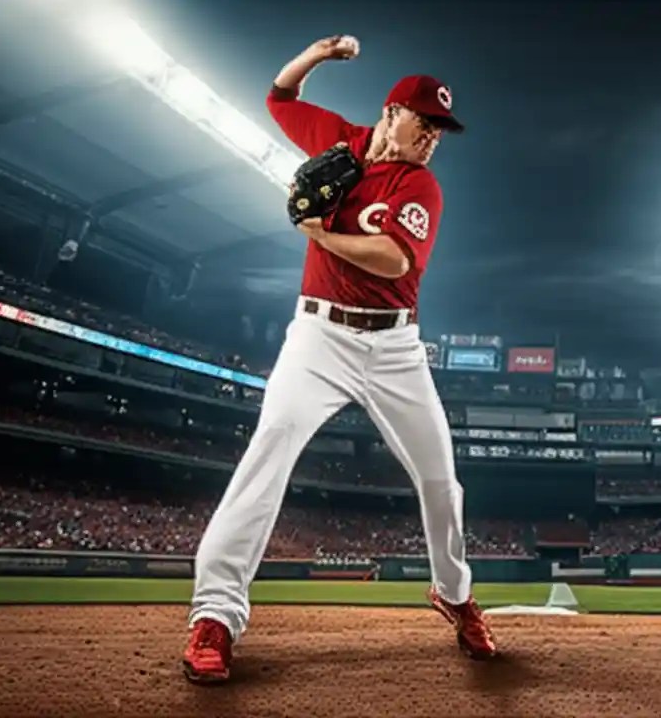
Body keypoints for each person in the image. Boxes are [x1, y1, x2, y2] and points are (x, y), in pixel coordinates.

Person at [181, 35, 496, 685]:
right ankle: (213, 617)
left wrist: (319, 231)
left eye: (441, 128)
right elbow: (278, 96)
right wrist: (319, 53)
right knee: (269, 449)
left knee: (441, 479)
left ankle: (455, 595)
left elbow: (394, 259)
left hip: (395, 348)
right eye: (425, 121)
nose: (434, 136)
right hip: (318, 338)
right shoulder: (340, 141)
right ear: (391, 113)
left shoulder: (421, 186)